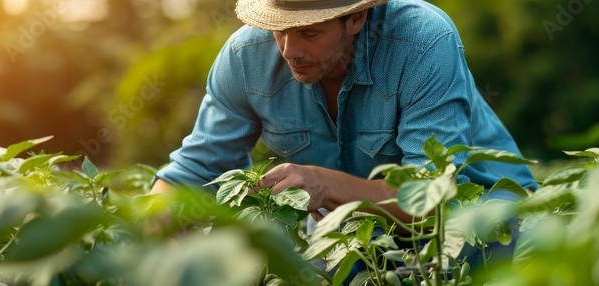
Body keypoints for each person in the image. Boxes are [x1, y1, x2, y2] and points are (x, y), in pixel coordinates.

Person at [150, 0, 539, 277]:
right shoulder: (244, 58)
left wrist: (322, 183)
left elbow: (431, 198)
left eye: (309, 32)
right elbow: (192, 170)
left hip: (473, 210)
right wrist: (158, 247)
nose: (289, 50)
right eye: (279, 29)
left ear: (355, 18)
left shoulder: (423, 41)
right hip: (348, 227)